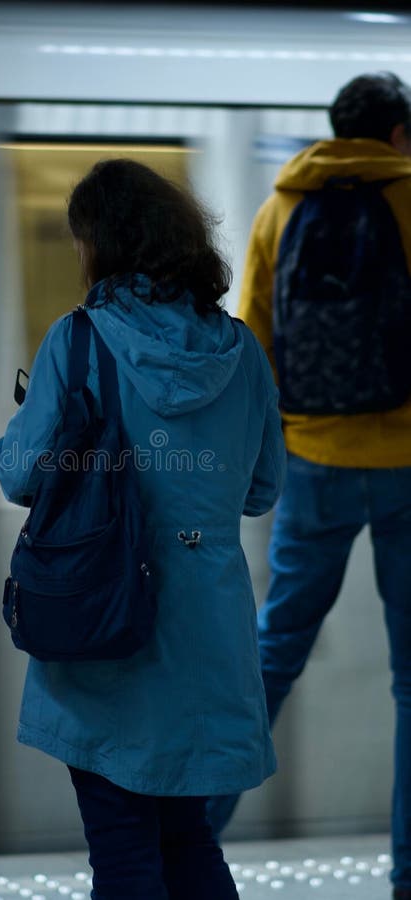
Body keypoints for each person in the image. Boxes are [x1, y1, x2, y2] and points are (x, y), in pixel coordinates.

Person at [0, 158, 286, 900]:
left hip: (106, 624)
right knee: (189, 841)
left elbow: (21, 474)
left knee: (123, 850)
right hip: (207, 632)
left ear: (100, 242)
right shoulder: (241, 350)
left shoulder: (79, 340)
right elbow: (261, 490)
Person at [205, 72, 411, 900]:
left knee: (269, 659)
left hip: (314, 464)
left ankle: (191, 842)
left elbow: (251, 341)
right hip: (405, 463)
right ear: (397, 133)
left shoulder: (279, 206)